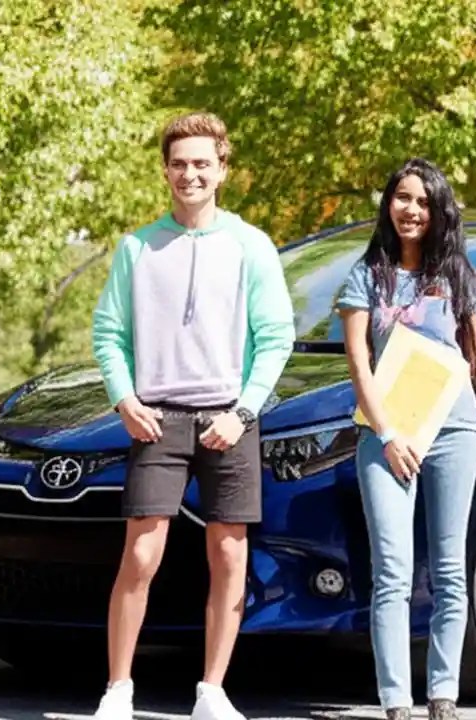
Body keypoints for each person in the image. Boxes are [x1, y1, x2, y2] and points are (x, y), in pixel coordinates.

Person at [89, 111, 296, 720]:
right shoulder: (137, 248)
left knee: (230, 555)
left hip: (230, 419)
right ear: (165, 171)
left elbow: (276, 335)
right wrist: (124, 398)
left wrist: (244, 410)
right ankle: (118, 690)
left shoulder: (250, 245)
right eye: (179, 164)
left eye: (202, 163)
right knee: (142, 556)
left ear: (222, 170)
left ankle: (212, 691)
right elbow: (108, 333)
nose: (190, 174)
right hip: (157, 417)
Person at [335, 158, 476, 720]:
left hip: (453, 430)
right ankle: (396, 700)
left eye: (423, 202)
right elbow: (359, 361)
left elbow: (473, 354)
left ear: (438, 212)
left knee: (451, 569)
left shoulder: (459, 277)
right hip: (386, 434)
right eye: (403, 198)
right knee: (393, 572)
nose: (411, 210)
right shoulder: (365, 276)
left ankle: (443, 695)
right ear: (388, 204)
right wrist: (387, 432)